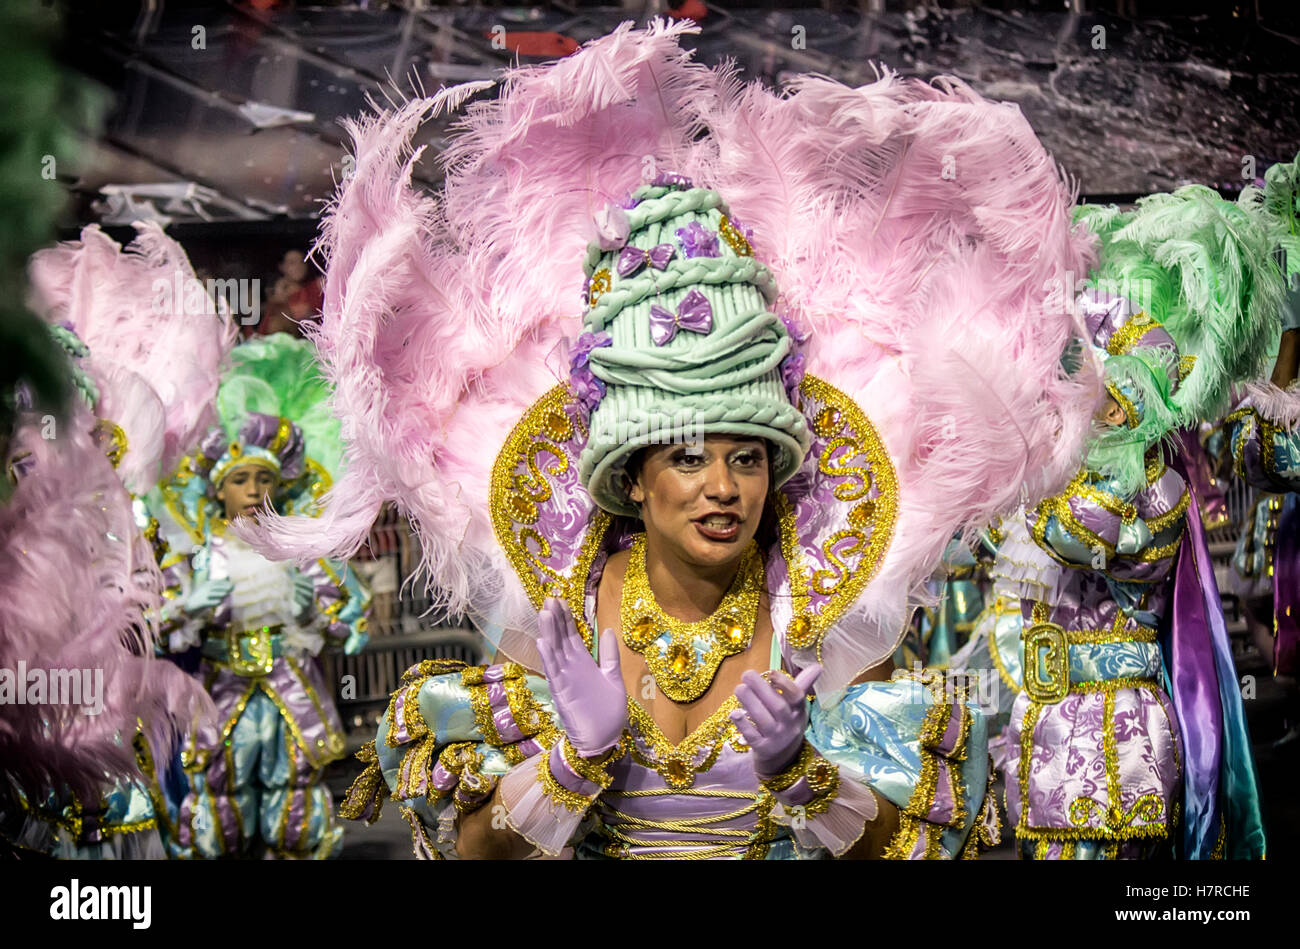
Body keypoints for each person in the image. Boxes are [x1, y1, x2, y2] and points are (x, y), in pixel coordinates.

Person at [244, 20, 1100, 859]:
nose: (724, 485)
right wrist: (571, 763)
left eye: (749, 456)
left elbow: (909, 846)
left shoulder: (822, 614)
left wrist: (807, 776)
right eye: (688, 456)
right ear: (632, 477)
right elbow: (472, 849)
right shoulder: (557, 612)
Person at [1004, 186, 1281, 860]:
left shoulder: (1150, 490)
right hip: (1039, 724)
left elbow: (1075, 535)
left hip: (1116, 739)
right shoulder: (1047, 468)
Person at [150, 334, 370, 858]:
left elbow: (348, 628)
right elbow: (156, 627)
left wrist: (308, 612)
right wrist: (189, 605)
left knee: (292, 784)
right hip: (221, 688)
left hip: (289, 684)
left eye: (263, 479)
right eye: (240, 479)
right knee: (219, 788)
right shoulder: (197, 558)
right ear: (217, 489)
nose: (252, 491)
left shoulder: (302, 555)